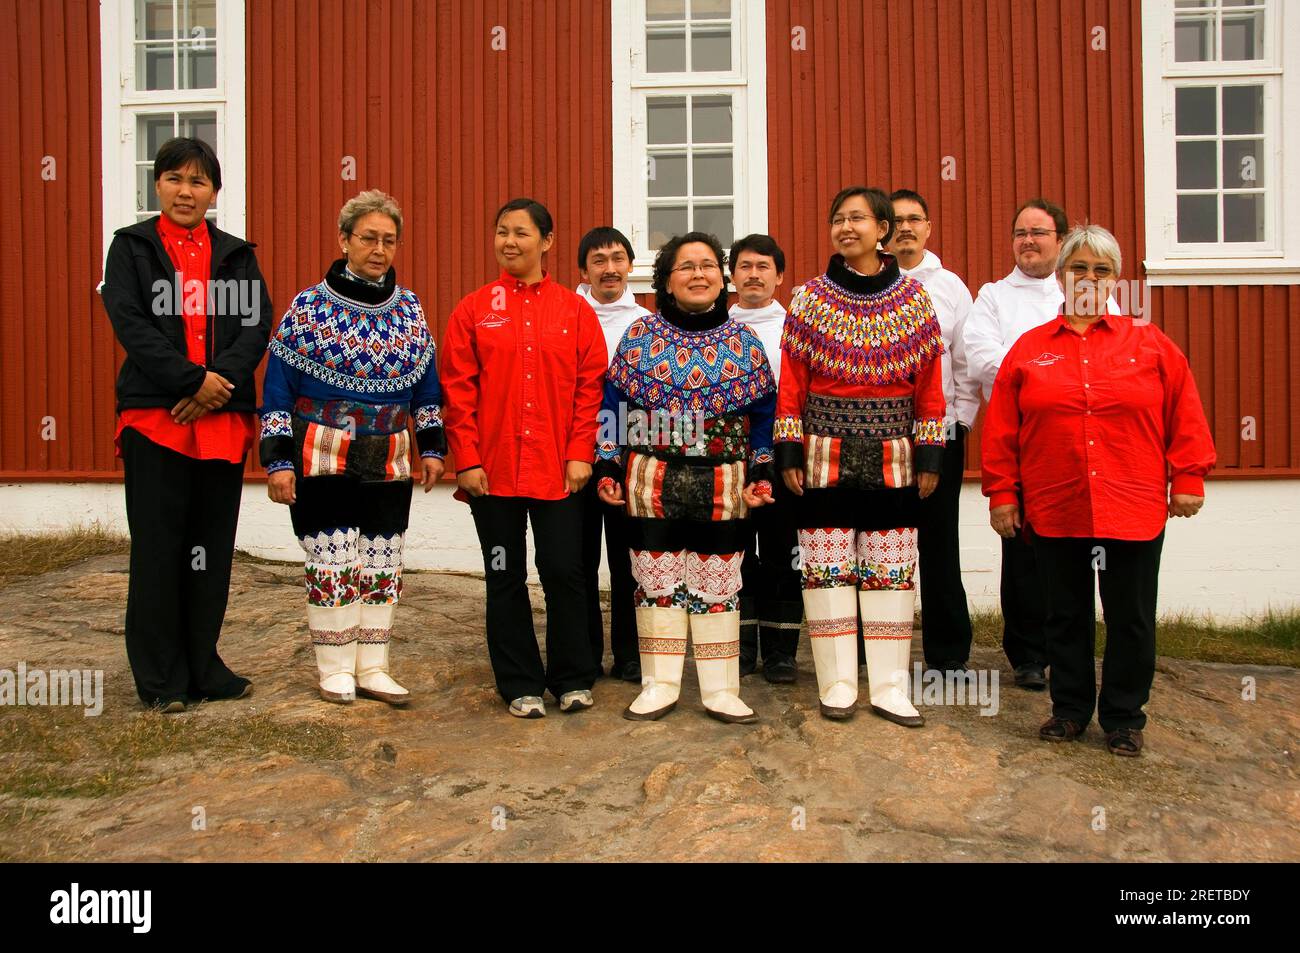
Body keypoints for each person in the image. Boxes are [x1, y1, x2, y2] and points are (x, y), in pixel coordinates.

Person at [981, 224, 1215, 757]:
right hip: (1056, 505)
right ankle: (1069, 710)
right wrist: (1003, 494)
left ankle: (1124, 718)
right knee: (1064, 615)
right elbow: (1003, 430)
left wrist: (1189, 476)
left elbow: (1184, 411)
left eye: (1101, 270)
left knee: (1130, 617)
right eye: (1079, 268)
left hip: (1132, 506)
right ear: (1062, 277)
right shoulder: (1029, 350)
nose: (1089, 278)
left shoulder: (1149, 343)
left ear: (1115, 280)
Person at [102, 137, 273, 712]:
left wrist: (214, 385)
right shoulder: (132, 248)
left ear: (214, 192)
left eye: (198, 181)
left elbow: (256, 325)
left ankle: (204, 665)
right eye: (175, 178)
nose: (185, 191)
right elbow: (130, 322)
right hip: (157, 420)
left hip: (220, 422)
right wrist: (189, 381)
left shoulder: (235, 256)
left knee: (209, 550)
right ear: (158, 184)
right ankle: (160, 678)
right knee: (159, 548)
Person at [260, 190, 445, 706]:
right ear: (344, 240)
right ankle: (336, 668)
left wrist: (432, 447)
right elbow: (277, 390)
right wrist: (278, 460)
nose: (379, 249)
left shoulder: (409, 309)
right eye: (368, 238)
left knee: (383, 557)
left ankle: (374, 666)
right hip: (323, 447)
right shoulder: (309, 307)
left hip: (390, 450)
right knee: (332, 555)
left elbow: (427, 387)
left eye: (389, 240)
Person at [776, 186, 946, 726]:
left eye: (858, 218)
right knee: (826, 568)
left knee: (891, 571)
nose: (846, 228)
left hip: (895, 455)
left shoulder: (915, 300)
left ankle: (891, 686)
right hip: (823, 454)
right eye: (838, 219)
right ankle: (838, 682)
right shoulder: (808, 299)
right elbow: (792, 383)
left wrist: (931, 453)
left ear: (882, 229)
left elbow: (930, 385)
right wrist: (788, 449)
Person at [596, 231, 776, 724]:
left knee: (719, 583)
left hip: (725, 483)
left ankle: (721, 690)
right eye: (686, 267)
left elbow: (763, 415)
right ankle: (659, 685)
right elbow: (614, 406)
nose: (699, 274)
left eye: (708, 266)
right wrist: (608, 464)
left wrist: (761, 471)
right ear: (667, 281)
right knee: (656, 582)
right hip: (650, 480)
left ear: (722, 278)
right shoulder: (639, 337)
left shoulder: (745, 342)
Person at [441, 198, 606, 718]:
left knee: (564, 571)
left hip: (559, 470)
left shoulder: (574, 310)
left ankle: (573, 677)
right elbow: (458, 391)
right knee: (504, 572)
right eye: (501, 231)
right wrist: (467, 459)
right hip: (492, 472)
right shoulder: (474, 309)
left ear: (547, 241)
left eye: (521, 232)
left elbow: (590, 389)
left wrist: (580, 453)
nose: (509, 242)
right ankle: (519, 684)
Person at [962, 198, 1068, 690]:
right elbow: (982, 357)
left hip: (1073, 441)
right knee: (1022, 547)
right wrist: (1051, 375)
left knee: (1070, 550)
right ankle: (1026, 654)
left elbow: (1104, 352)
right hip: (1020, 433)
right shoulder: (993, 297)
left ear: (1060, 241)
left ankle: (1066, 648)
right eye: (1020, 233)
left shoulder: (1078, 293)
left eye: (1038, 232)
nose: (1028, 241)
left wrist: (1032, 370)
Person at [885, 190, 980, 674]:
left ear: (928, 228)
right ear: (883, 230)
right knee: (881, 541)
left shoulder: (949, 287)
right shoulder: (868, 284)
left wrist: (960, 421)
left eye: (914, 219)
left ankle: (947, 652)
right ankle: (878, 647)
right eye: (896, 220)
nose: (905, 227)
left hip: (938, 435)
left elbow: (964, 360)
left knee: (939, 543)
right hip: (879, 435)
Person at [576, 226, 651, 682]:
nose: (610, 268)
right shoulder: (567, 315)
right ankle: (584, 654)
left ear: (630, 266)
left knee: (629, 560)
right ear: (583, 270)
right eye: (599, 260)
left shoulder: (645, 324)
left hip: (631, 456)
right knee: (578, 560)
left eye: (618, 259)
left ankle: (630, 654)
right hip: (573, 456)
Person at [728, 233, 802, 684]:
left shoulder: (796, 330)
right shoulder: (718, 328)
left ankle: (781, 652)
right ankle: (739, 647)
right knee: (736, 553)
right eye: (745, 266)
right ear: (732, 275)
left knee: (781, 554)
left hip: (783, 458)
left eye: (763, 267)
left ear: (779, 276)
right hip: (728, 461)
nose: (753, 275)